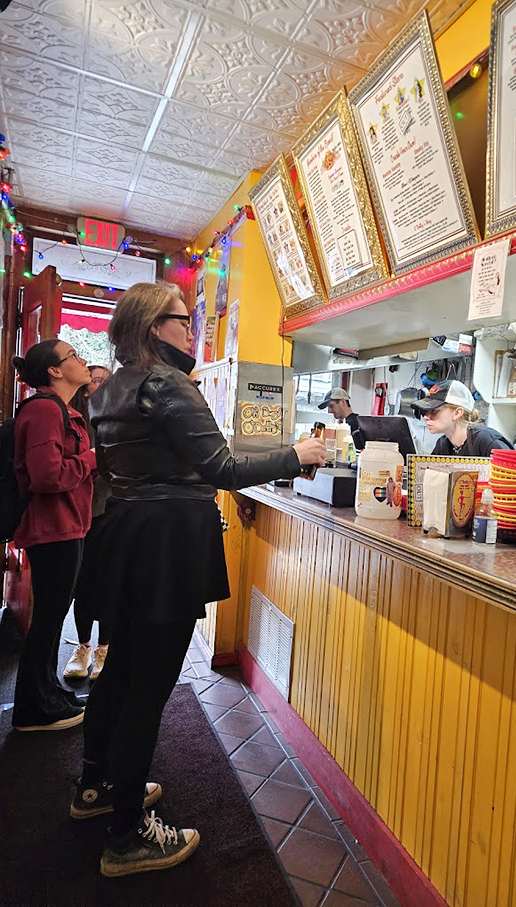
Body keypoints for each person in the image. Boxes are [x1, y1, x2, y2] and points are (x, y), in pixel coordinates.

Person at [73, 281, 325, 879]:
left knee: (121, 668)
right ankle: (127, 835)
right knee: (149, 687)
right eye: (183, 320)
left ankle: (96, 785)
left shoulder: (109, 389)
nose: (192, 330)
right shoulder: (168, 383)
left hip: (126, 534)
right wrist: (297, 456)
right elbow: (222, 468)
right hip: (169, 542)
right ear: (153, 326)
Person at [11, 340, 96, 731]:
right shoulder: (45, 410)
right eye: (74, 355)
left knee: (52, 615)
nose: (83, 360)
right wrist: (92, 459)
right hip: (52, 528)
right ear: (55, 371)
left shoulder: (62, 410)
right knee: (47, 619)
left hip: (66, 525)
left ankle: (47, 693)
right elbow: (47, 476)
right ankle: (32, 710)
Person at [63, 366, 113, 681]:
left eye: (108, 381)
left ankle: (104, 649)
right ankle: (82, 647)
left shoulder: (120, 420)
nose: (102, 385)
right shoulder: (76, 421)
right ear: (85, 389)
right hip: (81, 514)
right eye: (96, 380)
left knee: (110, 583)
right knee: (82, 583)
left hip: (113, 512)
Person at [411, 380, 514, 457]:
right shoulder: (443, 445)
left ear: (457, 413)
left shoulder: (487, 442)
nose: (425, 417)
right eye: (426, 411)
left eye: (434, 411)